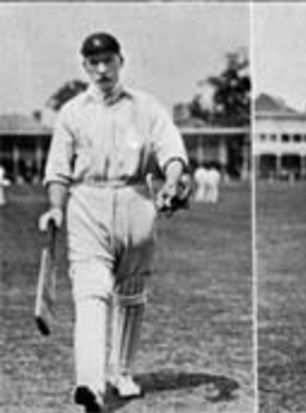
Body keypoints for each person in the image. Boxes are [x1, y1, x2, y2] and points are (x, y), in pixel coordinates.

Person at [39, 32, 192, 412]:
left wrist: (172, 180)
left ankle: (122, 371)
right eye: (94, 63)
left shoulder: (146, 107)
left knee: (131, 293)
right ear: (85, 66)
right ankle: (89, 384)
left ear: (121, 61)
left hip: (136, 200)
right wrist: (56, 207)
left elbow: (171, 150)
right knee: (90, 292)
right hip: (87, 202)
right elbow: (58, 171)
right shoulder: (72, 112)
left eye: (109, 61)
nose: (102, 69)